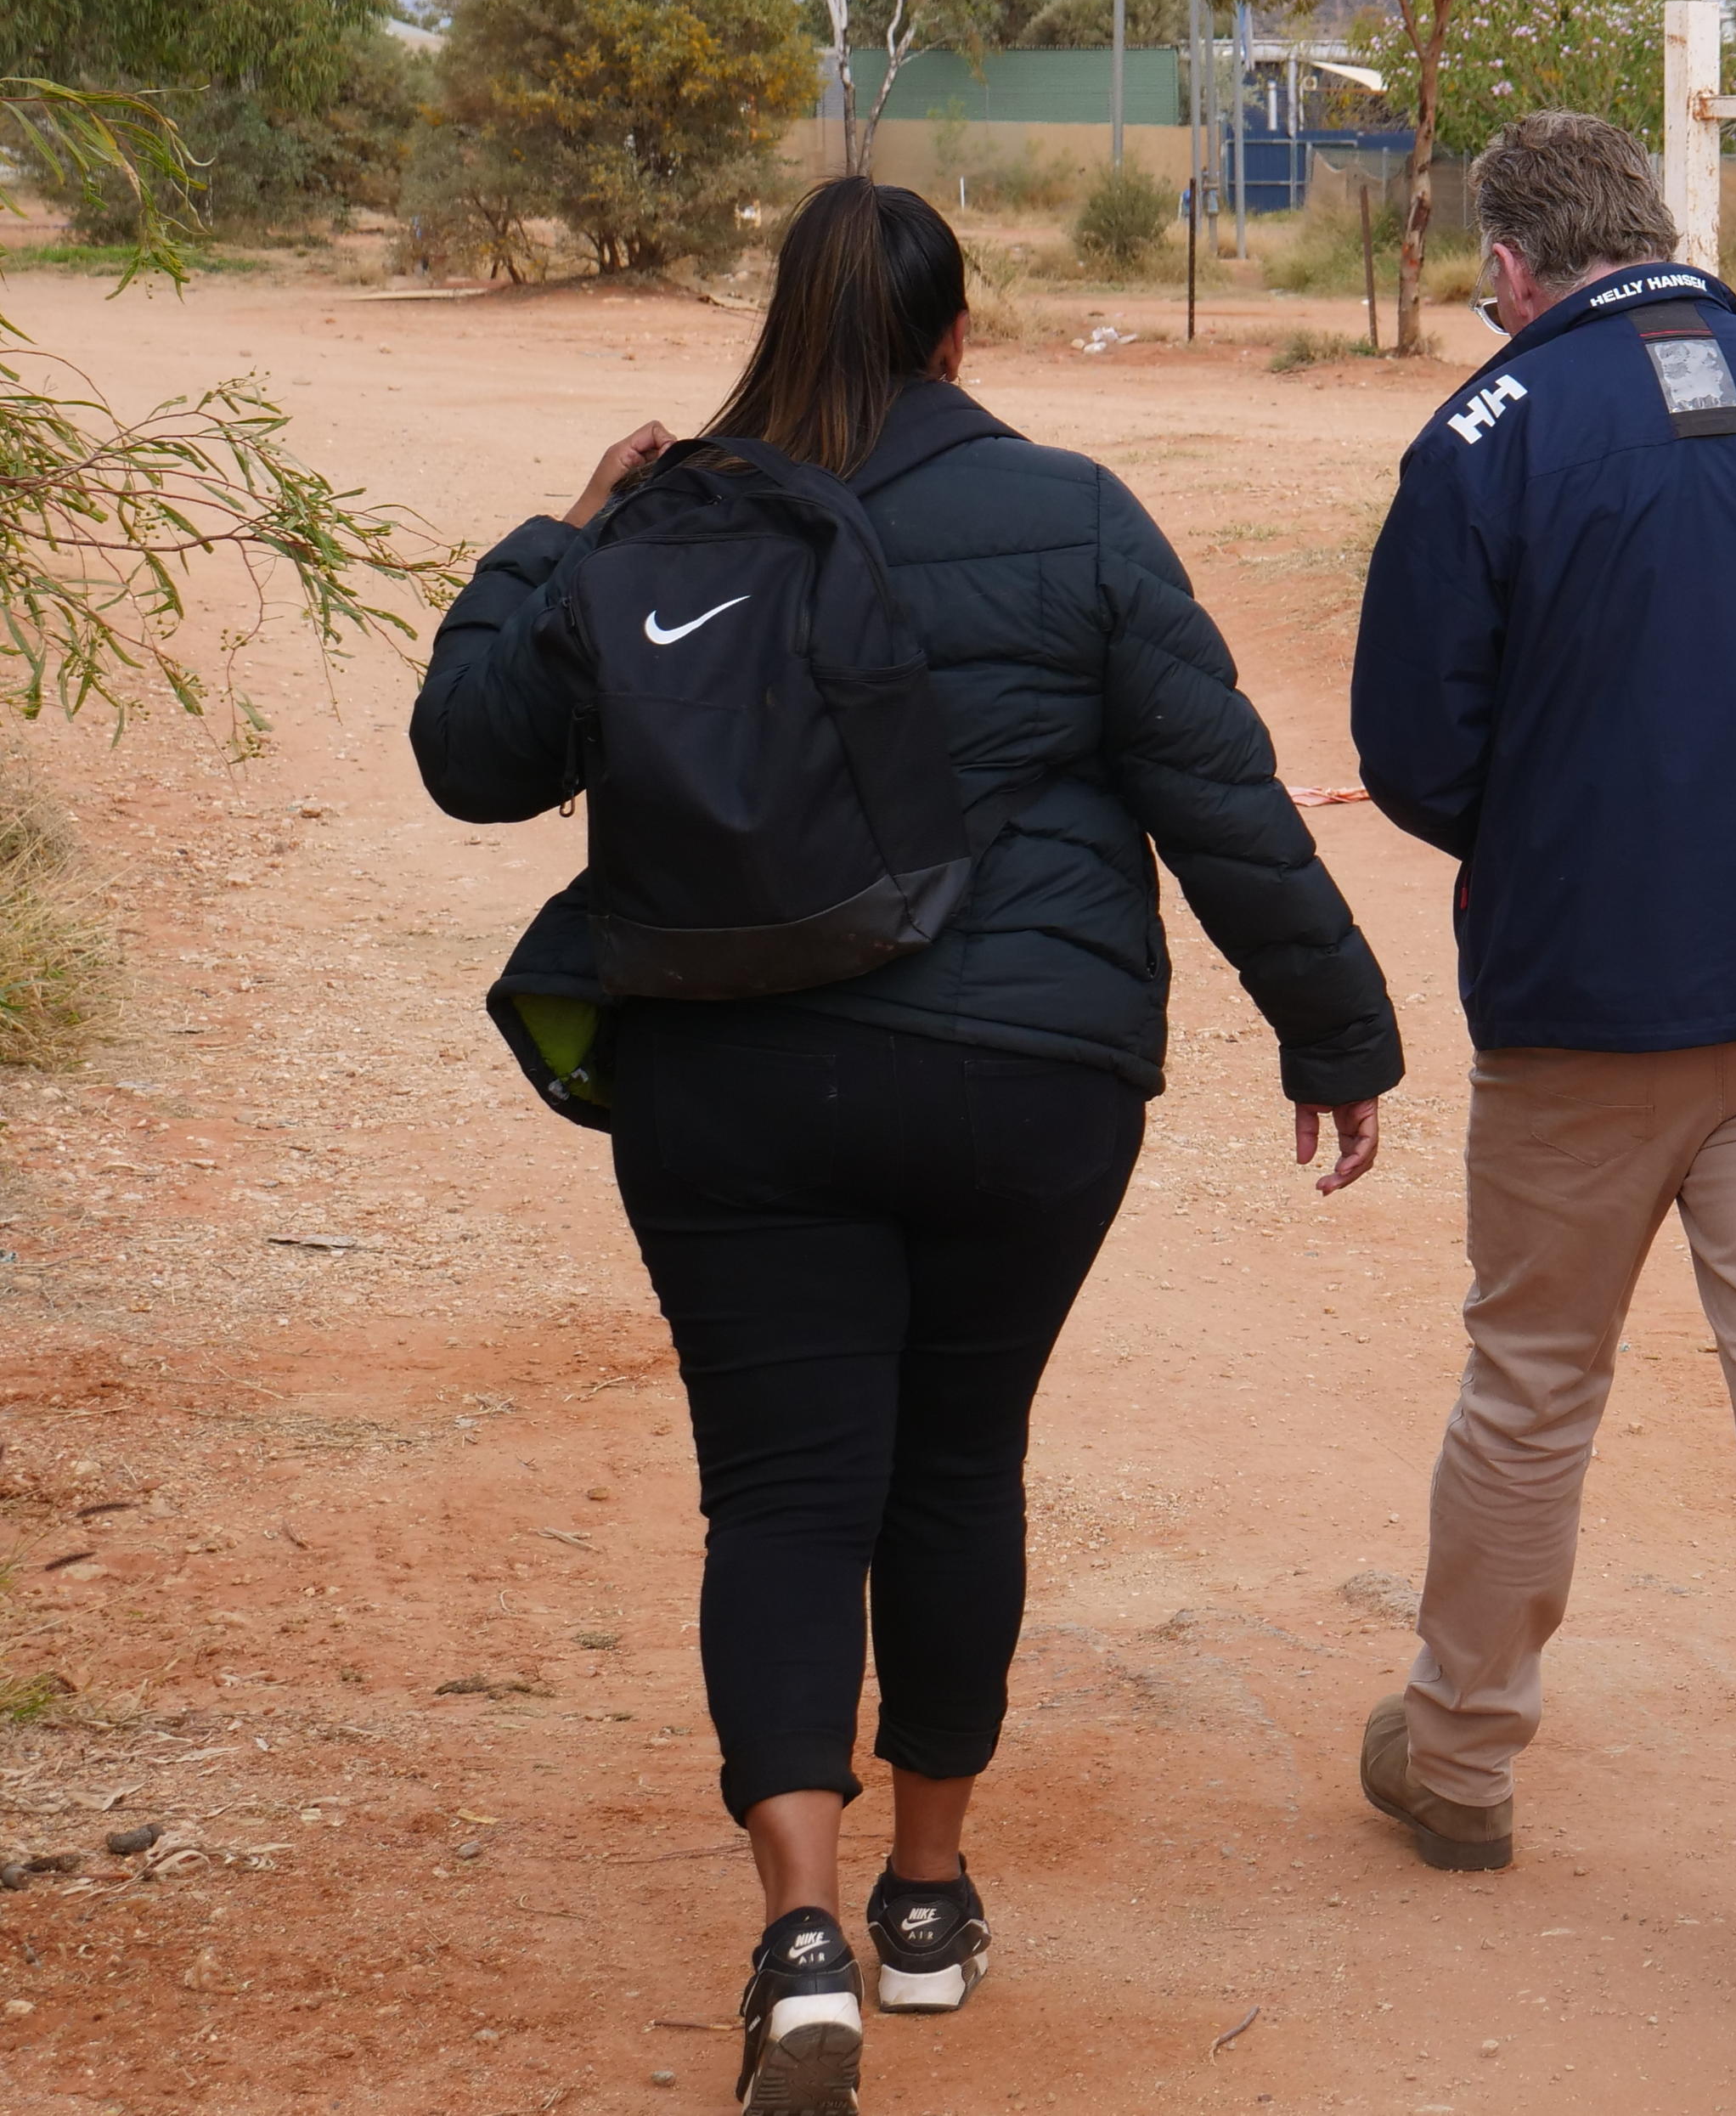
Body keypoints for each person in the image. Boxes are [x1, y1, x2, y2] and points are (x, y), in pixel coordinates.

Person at [411, 178, 1401, 2116]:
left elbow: (472, 752)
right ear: (961, 333)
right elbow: (1217, 792)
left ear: (788, 324)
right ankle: (930, 1891)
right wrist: (1335, 1024)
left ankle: (800, 1936)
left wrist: (564, 531)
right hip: (1025, 1078)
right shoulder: (1076, 516)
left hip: (731, 1078)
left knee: (784, 1491)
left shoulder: (674, 516)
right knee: (954, 1460)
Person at [1345, 110, 1736, 1972]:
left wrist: (1550, 831)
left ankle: (1459, 1762)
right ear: (1661, 230)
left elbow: (1410, 753)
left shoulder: (1480, 437)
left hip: (1578, 1012)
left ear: (1514, 273)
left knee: (1533, 1381)